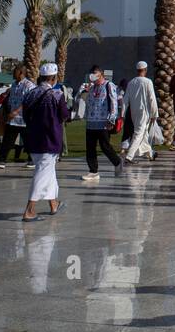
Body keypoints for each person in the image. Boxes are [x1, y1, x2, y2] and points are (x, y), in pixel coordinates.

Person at [20, 63, 72, 221]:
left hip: (33, 139)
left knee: (48, 172)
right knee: (42, 173)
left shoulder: (29, 94)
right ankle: (30, 210)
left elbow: (25, 116)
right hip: (50, 140)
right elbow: (65, 116)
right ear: (54, 78)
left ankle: (53, 204)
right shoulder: (56, 95)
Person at [80, 66, 122, 182]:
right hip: (91, 122)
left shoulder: (109, 85)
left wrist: (111, 119)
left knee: (105, 147)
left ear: (101, 74)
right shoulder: (91, 88)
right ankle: (93, 171)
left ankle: (117, 162)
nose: (92, 75)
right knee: (90, 148)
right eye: (91, 73)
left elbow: (113, 102)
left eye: (95, 73)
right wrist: (85, 91)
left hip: (103, 122)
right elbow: (83, 100)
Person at [122, 62, 159, 164]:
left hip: (134, 112)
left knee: (144, 133)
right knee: (139, 133)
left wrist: (122, 113)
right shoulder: (148, 82)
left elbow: (125, 99)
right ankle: (129, 156)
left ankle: (150, 153)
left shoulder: (131, 82)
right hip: (144, 112)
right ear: (145, 70)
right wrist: (154, 114)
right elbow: (152, 99)